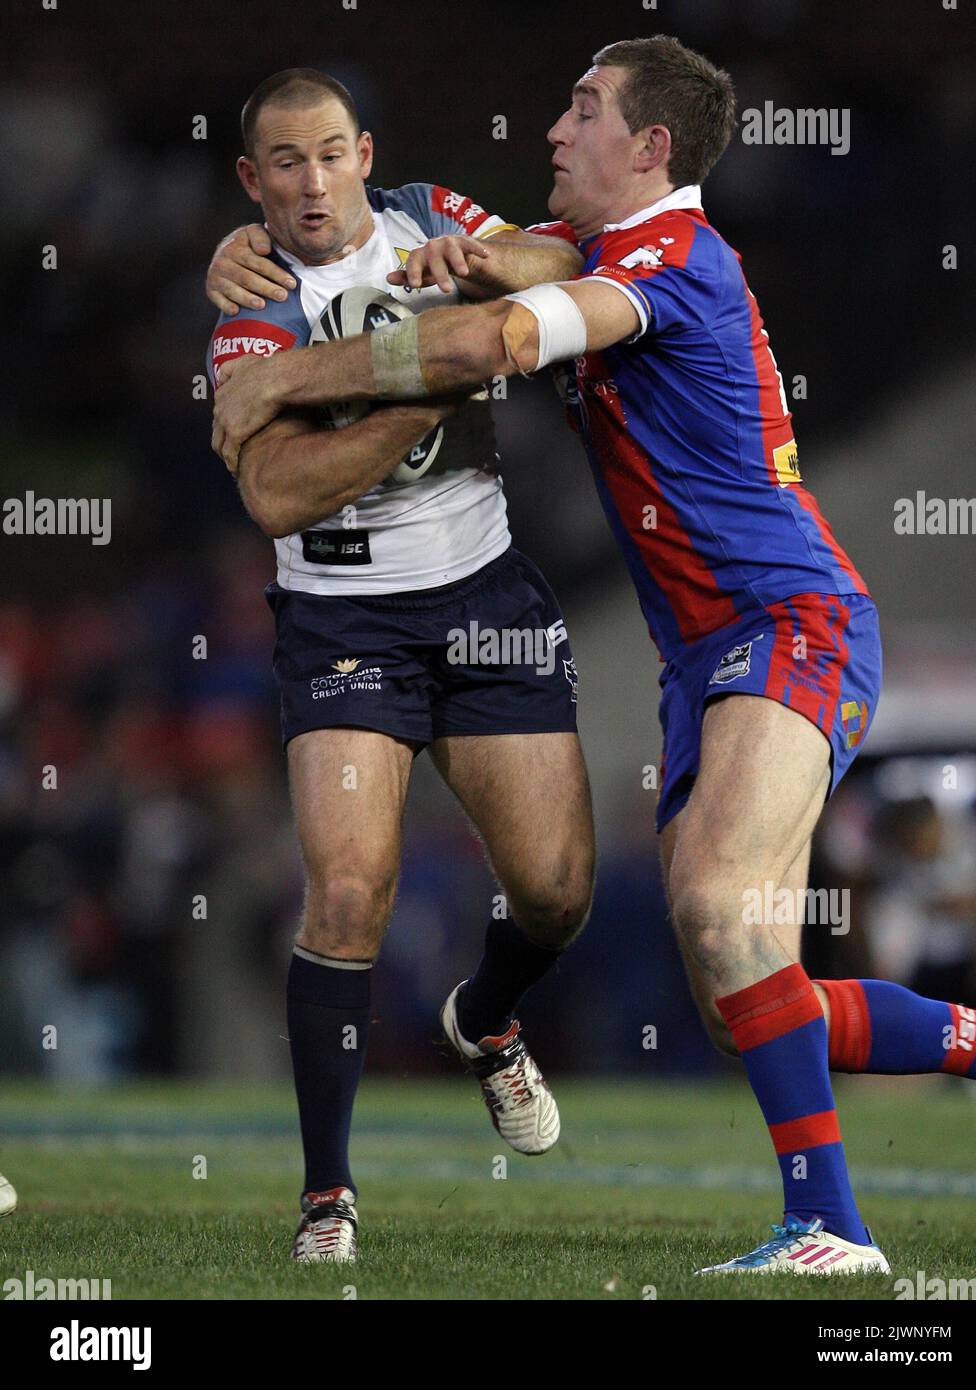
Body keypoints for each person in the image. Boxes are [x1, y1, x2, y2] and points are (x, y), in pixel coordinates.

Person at [212, 36, 976, 1275]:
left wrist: (286, 379)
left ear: (651, 150)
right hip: (703, 659)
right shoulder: (614, 248)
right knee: (753, 1003)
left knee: (712, 908)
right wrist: (254, 259)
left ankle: (830, 1228)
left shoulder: (674, 259)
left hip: (786, 620)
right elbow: (514, 265)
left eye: (581, 112)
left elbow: (491, 345)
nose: (551, 132)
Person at [206, 68, 595, 1264]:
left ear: (365, 153)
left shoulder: (434, 213)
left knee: (559, 890)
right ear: (252, 180)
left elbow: (562, 267)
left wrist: (482, 280)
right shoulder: (250, 303)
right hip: (344, 624)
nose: (312, 181)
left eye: (330, 153)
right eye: (285, 161)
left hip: (484, 595)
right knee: (345, 892)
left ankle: (484, 1021)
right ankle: (328, 1197)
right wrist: (432, 384)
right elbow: (275, 491)